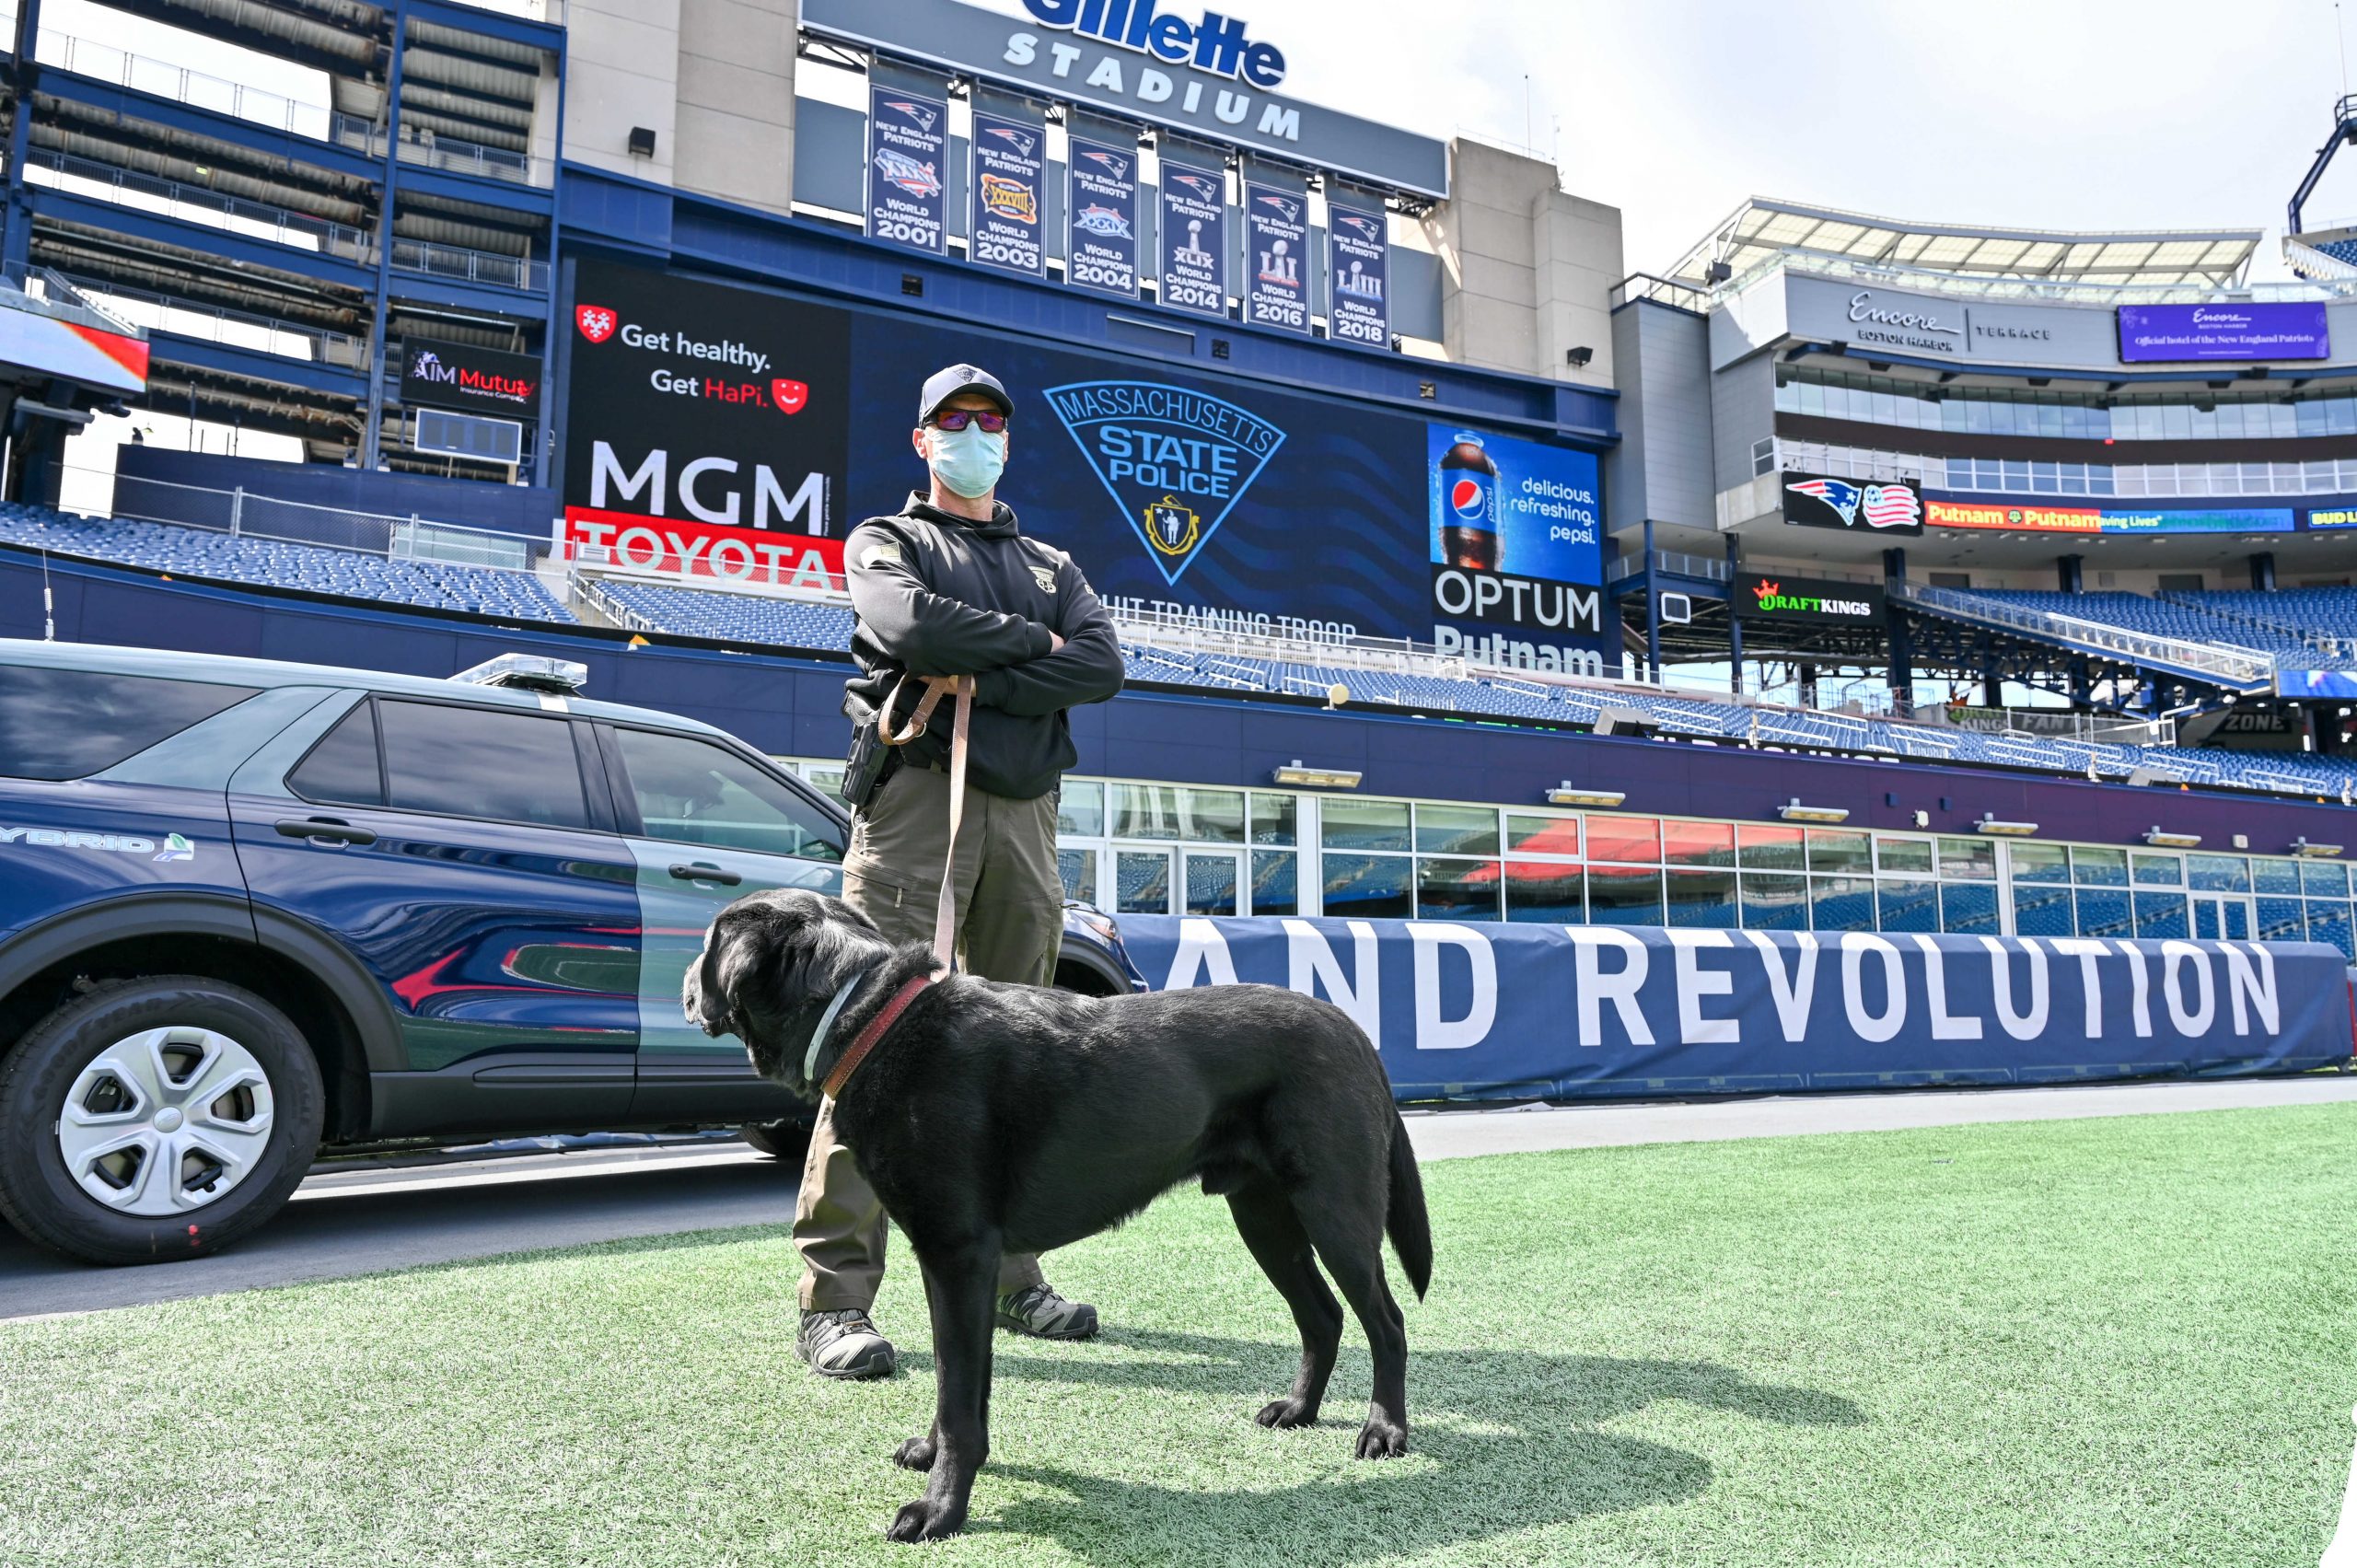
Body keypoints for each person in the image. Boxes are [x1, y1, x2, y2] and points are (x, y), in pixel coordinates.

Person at [794, 362, 1127, 1380]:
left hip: (1025, 816)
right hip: (913, 807)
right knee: (872, 1051)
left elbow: (1104, 663)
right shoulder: (888, 540)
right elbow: (907, 628)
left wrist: (988, 655)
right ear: (923, 436)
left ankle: (1013, 1275)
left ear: (1008, 440)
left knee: (1025, 1052)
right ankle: (835, 1302)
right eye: (953, 418)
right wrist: (1035, 648)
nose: (972, 432)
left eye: (988, 420)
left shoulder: (1047, 558)